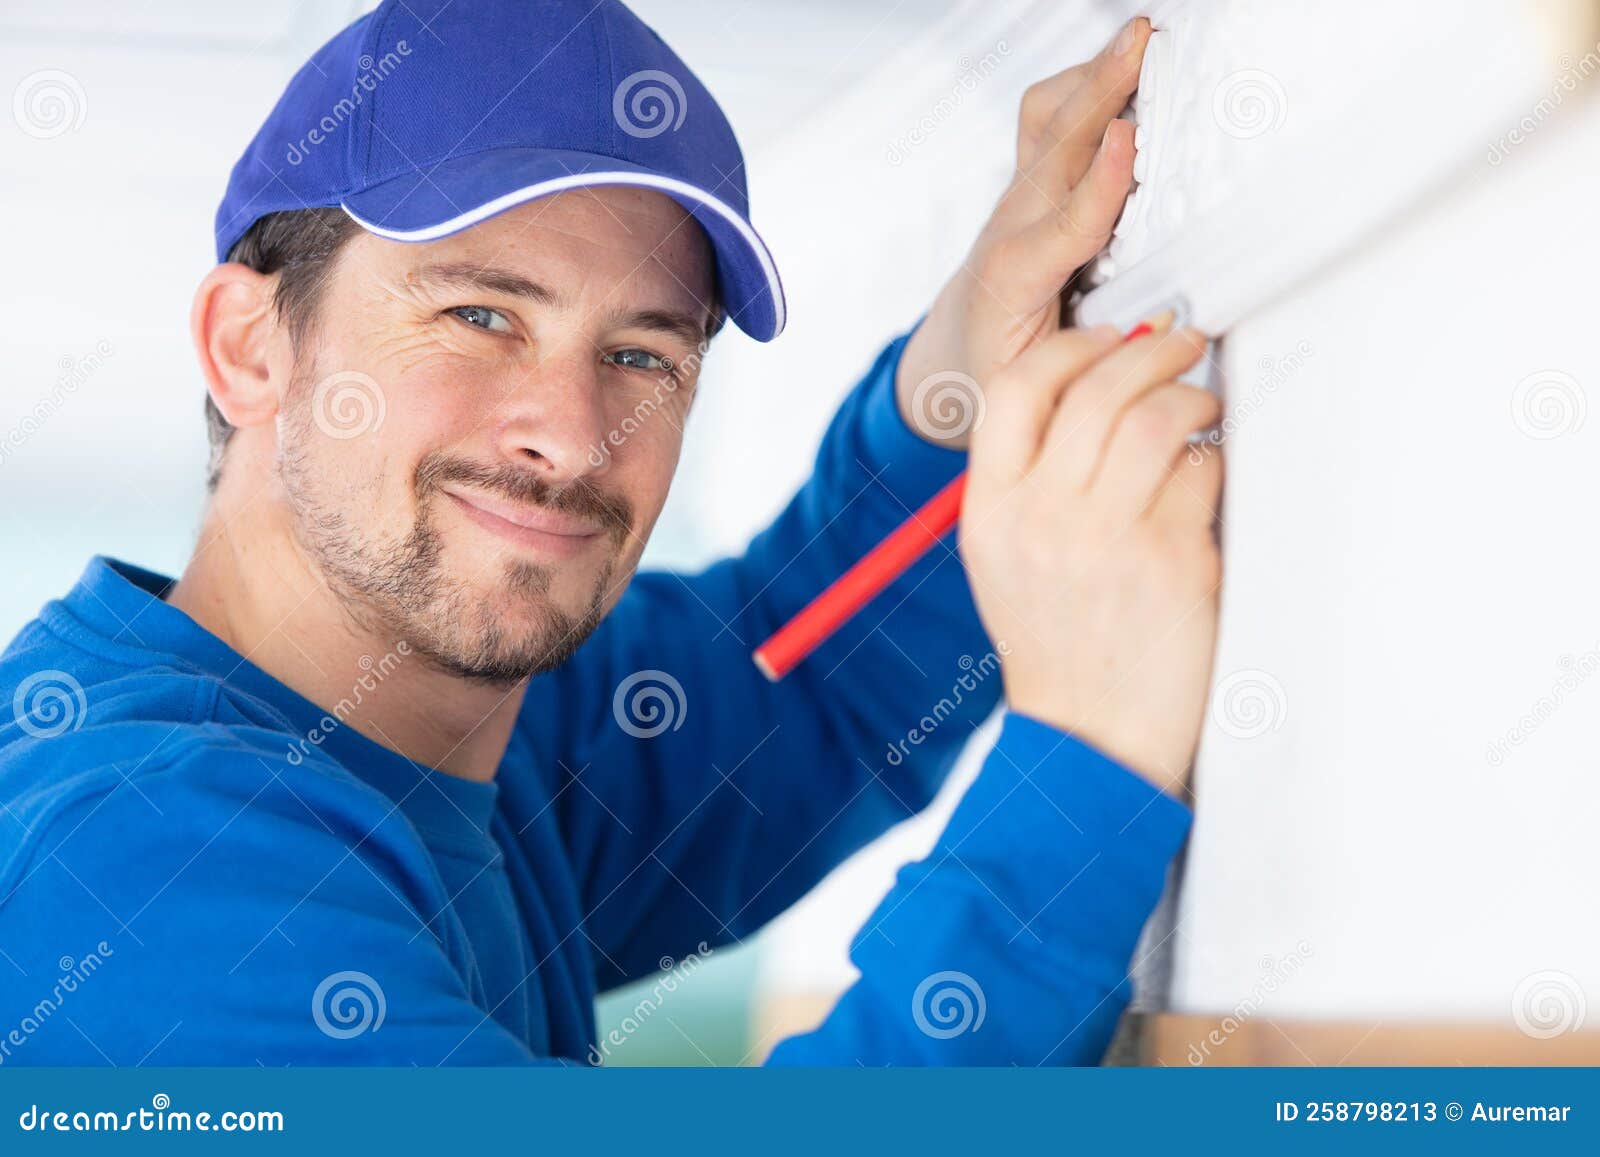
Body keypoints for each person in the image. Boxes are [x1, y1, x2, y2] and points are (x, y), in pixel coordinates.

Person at [0, 2, 1219, 1065]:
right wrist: (1091, 755)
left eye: (640, 354)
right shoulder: (146, 866)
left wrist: (971, 369)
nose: (574, 435)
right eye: (480, 316)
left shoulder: (455, 723)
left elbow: (803, 693)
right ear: (249, 348)